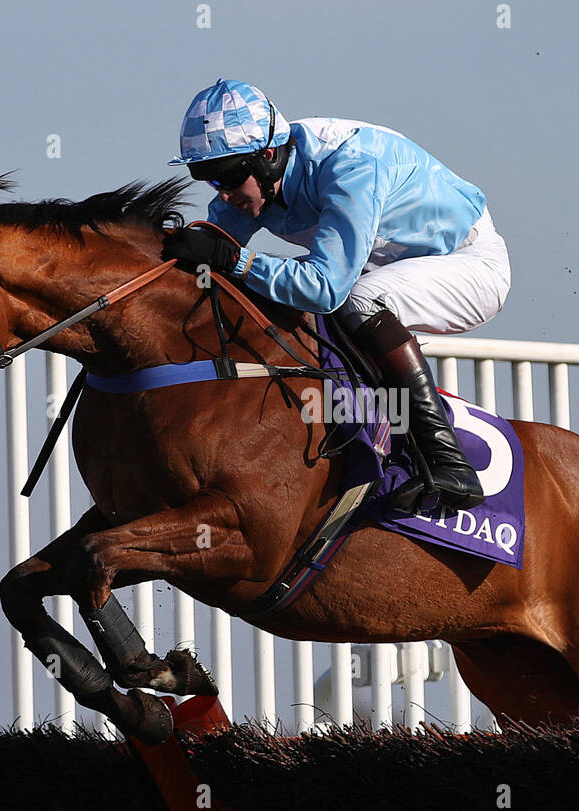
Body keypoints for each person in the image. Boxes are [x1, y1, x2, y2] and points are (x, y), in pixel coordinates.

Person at [162, 79, 511, 512]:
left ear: (268, 155)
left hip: (471, 265)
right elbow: (208, 246)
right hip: (387, 268)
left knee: (354, 300)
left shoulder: (352, 168)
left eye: (230, 176)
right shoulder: (255, 180)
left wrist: (236, 260)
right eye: (207, 178)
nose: (223, 193)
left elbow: (325, 287)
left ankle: (448, 460)